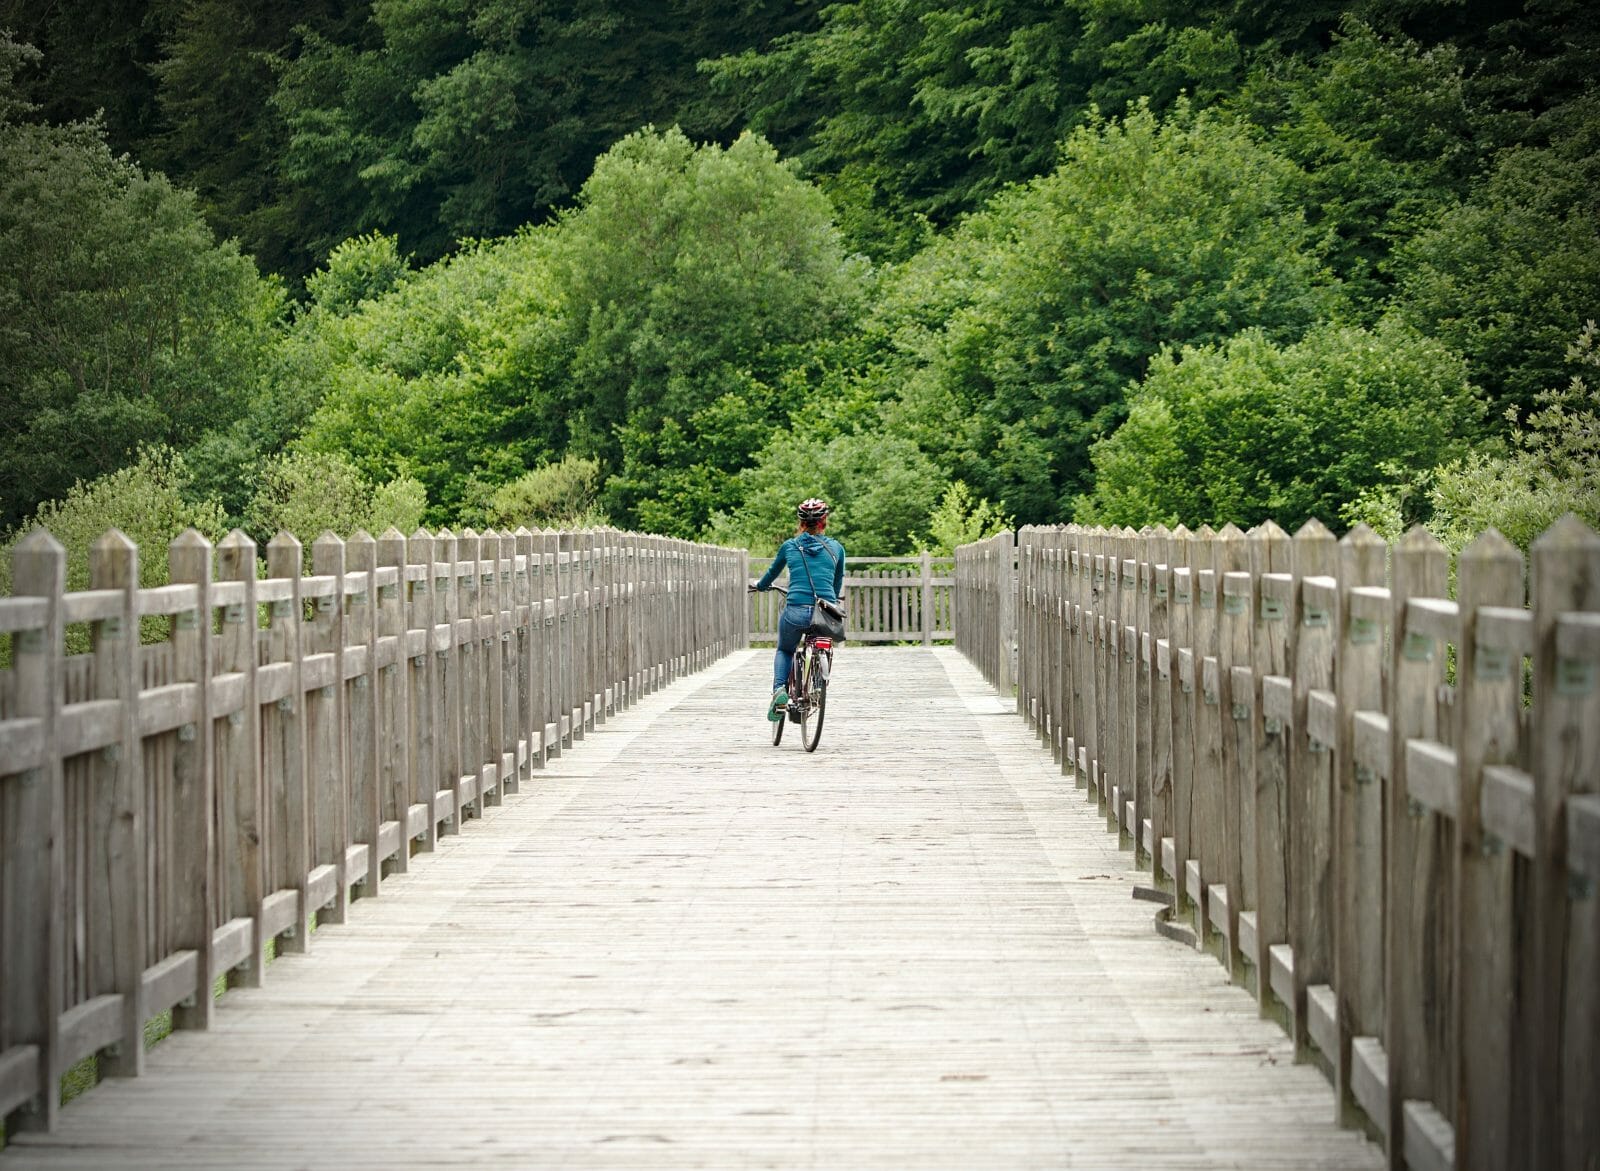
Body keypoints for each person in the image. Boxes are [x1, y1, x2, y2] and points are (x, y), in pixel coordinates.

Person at [751, 497, 845, 721]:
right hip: (824, 612)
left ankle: (779, 691)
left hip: (796, 610)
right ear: (824, 521)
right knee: (823, 642)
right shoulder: (837, 549)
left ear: (801, 523)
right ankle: (817, 685)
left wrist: (760, 586)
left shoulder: (790, 547)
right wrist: (830, 598)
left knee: (785, 649)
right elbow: (837, 581)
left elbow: (771, 574)